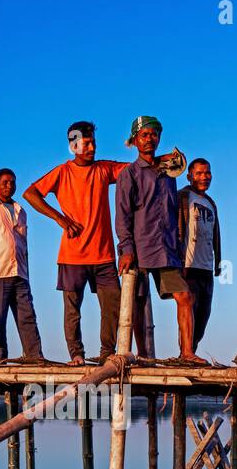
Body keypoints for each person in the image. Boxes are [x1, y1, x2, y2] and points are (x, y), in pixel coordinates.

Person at [23, 122, 135, 365]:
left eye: (94, 142)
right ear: (74, 145)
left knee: (112, 304)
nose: (92, 147)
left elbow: (137, 168)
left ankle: (107, 352)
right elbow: (31, 193)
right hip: (72, 256)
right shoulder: (62, 172)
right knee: (73, 310)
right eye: (87, 143)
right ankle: (76, 354)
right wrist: (60, 219)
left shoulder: (104, 169)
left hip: (104, 256)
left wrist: (161, 160)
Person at [115, 116, 201, 364]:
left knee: (185, 296)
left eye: (154, 134)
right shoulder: (129, 174)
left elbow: (174, 213)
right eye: (144, 135)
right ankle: (143, 356)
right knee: (139, 303)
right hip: (139, 248)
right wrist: (126, 249)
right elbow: (123, 214)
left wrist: (178, 247)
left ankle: (187, 352)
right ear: (135, 140)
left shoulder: (168, 173)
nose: (149, 139)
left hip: (167, 248)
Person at [0, 168, 44, 363]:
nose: (9, 186)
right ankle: (0, 360)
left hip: (20, 273)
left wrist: (27, 272)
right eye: (4, 182)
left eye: (12, 182)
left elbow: (23, 244)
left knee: (27, 317)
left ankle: (35, 358)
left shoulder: (22, 211)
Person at [177, 158, 222, 350]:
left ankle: (192, 351)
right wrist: (177, 260)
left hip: (206, 267)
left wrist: (218, 260)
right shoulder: (183, 197)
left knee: (204, 315)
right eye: (199, 173)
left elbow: (215, 234)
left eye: (207, 173)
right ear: (189, 176)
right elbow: (175, 228)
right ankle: (185, 353)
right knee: (189, 311)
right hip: (188, 265)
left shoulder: (211, 202)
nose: (204, 177)